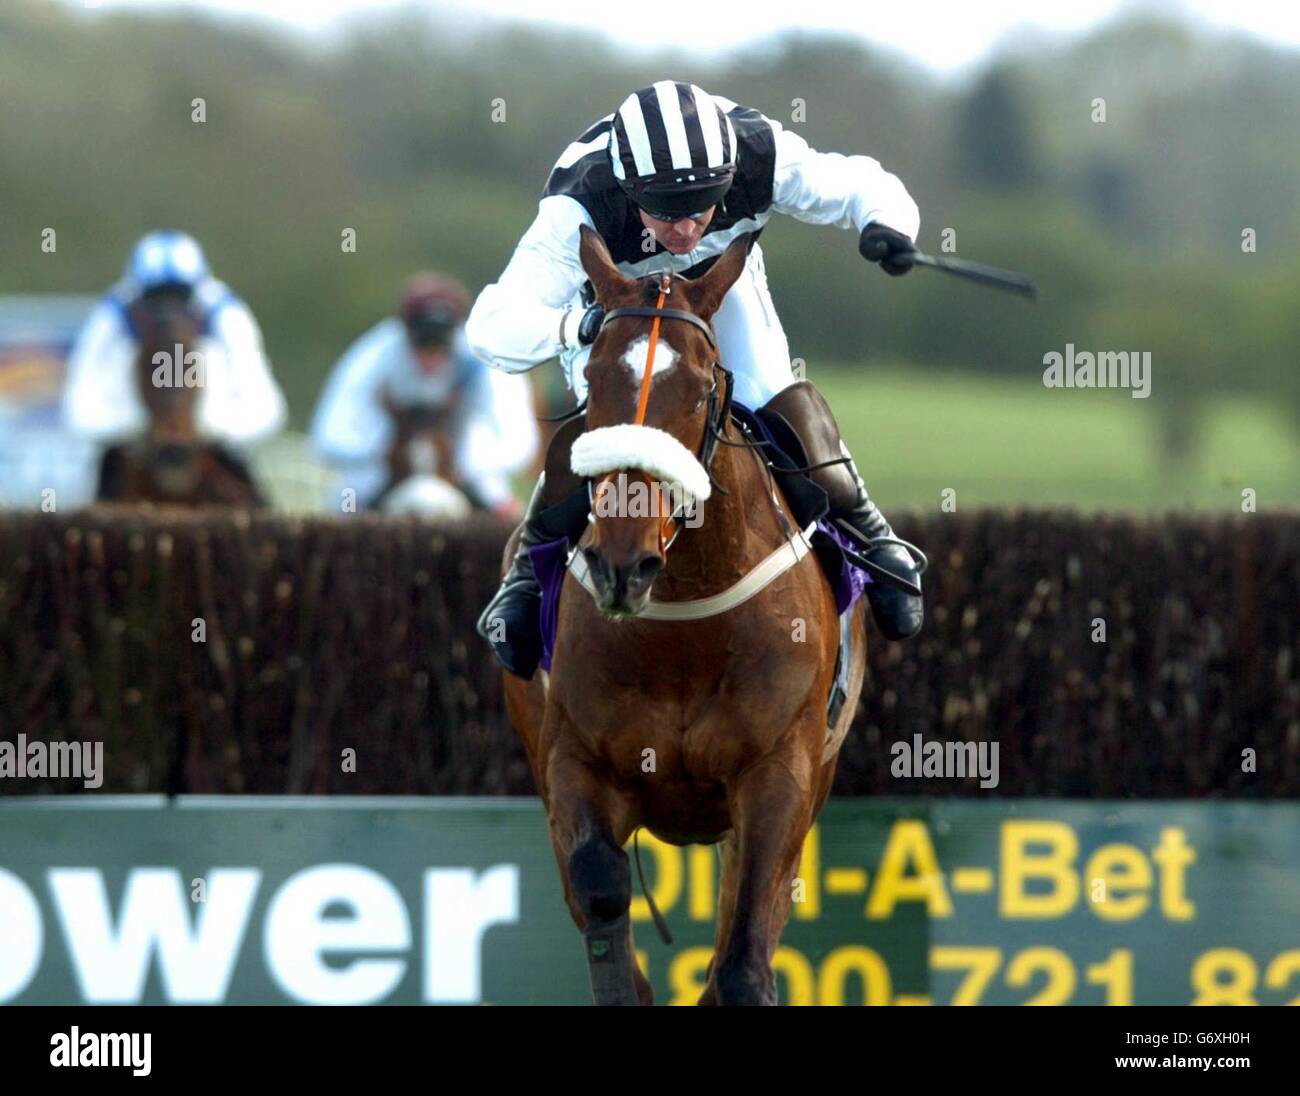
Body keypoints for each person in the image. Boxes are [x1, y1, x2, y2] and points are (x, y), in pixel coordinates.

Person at [467, 81, 926, 679]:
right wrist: (577, 326)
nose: (684, 230)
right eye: (663, 210)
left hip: (715, 289)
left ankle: (869, 531)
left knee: (772, 397)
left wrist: (885, 223)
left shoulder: (759, 151)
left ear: (727, 174)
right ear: (628, 186)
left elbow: (861, 184)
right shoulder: (578, 201)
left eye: (703, 205)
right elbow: (491, 325)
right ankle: (530, 571)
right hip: (614, 306)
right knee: (609, 431)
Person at [311, 274, 538, 514]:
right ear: (404, 330)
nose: (429, 355)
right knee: (345, 503)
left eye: (439, 342)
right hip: (387, 457)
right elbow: (327, 436)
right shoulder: (375, 354)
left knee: (504, 508)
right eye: (421, 341)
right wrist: (380, 451)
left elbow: (520, 443)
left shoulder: (482, 359)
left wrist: (471, 463)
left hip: (463, 456)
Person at [63, 231, 287, 470]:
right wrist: (144, 426)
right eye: (156, 300)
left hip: (216, 449)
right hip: (132, 452)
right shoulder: (111, 320)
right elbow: (79, 412)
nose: (168, 315)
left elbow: (266, 411)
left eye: (178, 297)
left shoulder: (227, 318)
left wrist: (199, 428)